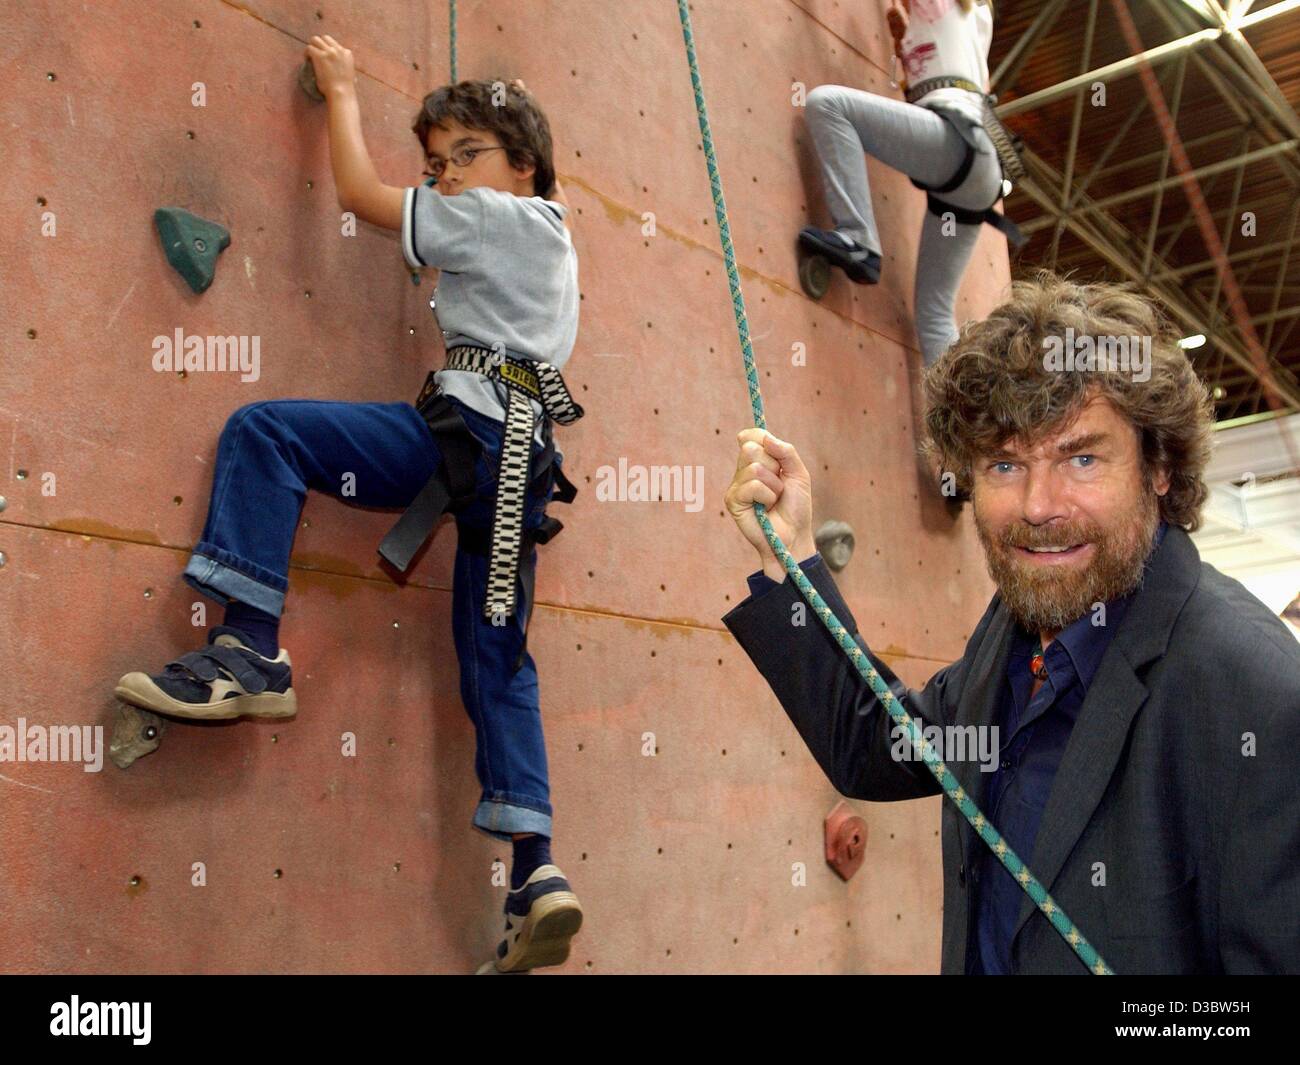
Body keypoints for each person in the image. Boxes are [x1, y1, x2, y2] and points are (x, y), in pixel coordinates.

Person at [113, 37, 583, 973]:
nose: (445, 177)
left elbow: (366, 198)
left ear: (523, 166)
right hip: (514, 463)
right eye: (436, 165)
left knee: (267, 433)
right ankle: (538, 870)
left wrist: (338, 93)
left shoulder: (497, 218)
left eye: (465, 156)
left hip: (469, 435)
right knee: (497, 656)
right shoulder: (552, 240)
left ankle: (249, 647)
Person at [721, 273, 1300, 974]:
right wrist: (793, 556)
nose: (1037, 505)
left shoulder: (1256, 691)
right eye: (1003, 463)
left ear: (1160, 468)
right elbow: (881, 745)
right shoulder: (1022, 625)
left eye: (1081, 457)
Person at [799, 0, 1021, 370]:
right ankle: (958, 424)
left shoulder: (947, 7)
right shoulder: (964, 22)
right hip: (976, 173)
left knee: (828, 104)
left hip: (957, 139)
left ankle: (858, 238)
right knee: (934, 314)